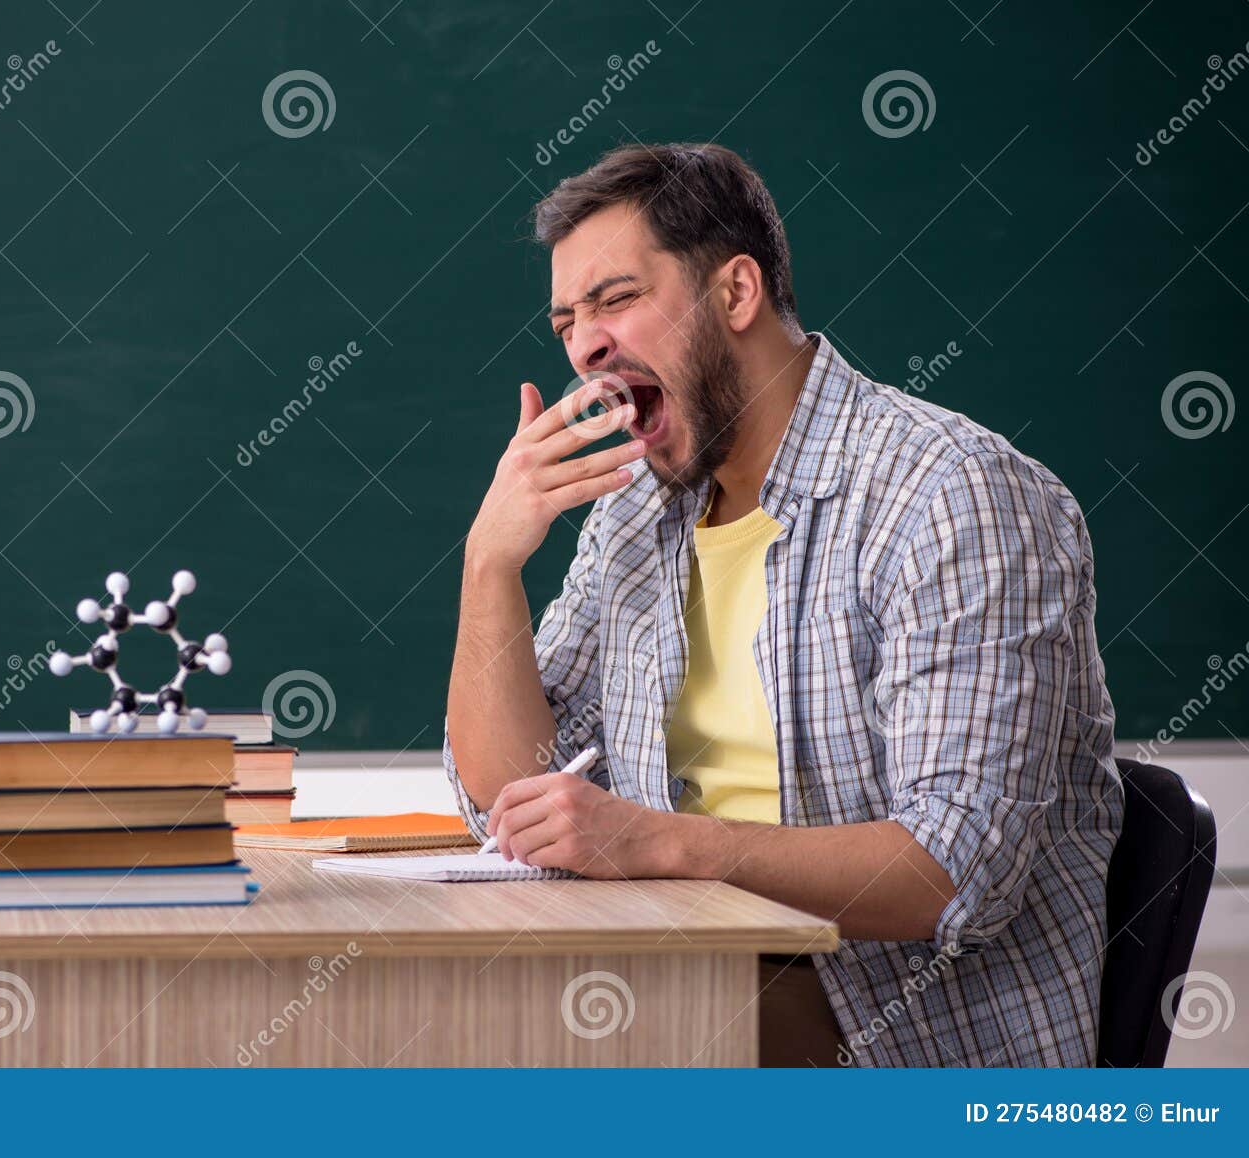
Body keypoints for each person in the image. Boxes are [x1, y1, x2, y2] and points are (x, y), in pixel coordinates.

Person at [443, 142, 1123, 1067]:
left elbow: (956, 868)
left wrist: (656, 844)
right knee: (427, 1025)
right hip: (674, 971)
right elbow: (510, 795)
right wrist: (490, 563)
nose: (585, 346)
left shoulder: (951, 495)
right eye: (568, 321)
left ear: (735, 293)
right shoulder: (636, 514)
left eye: (617, 299)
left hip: (898, 1034)